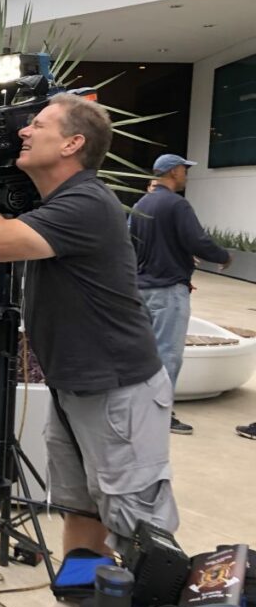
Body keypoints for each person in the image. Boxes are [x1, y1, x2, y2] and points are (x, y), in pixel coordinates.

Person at [0, 93, 177, 559]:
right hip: (76, 386)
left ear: (72, 144)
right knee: (80, 511)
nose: (24, 132)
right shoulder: (58, 202)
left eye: (39, 126)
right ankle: (85, 598)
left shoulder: (87, 202)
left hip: (117, 391)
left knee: (137, 531)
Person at [129, 153, 231, 435]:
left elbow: (131, 244)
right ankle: (160, 414)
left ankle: (139, 410)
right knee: (167, 356)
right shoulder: (177, 204)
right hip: (167, 292)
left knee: (144, 354)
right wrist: (223, 256)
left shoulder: (142, 203)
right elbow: (197, 240)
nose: (186, 174)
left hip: (142, 290)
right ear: (174, 172)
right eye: (184, 169)